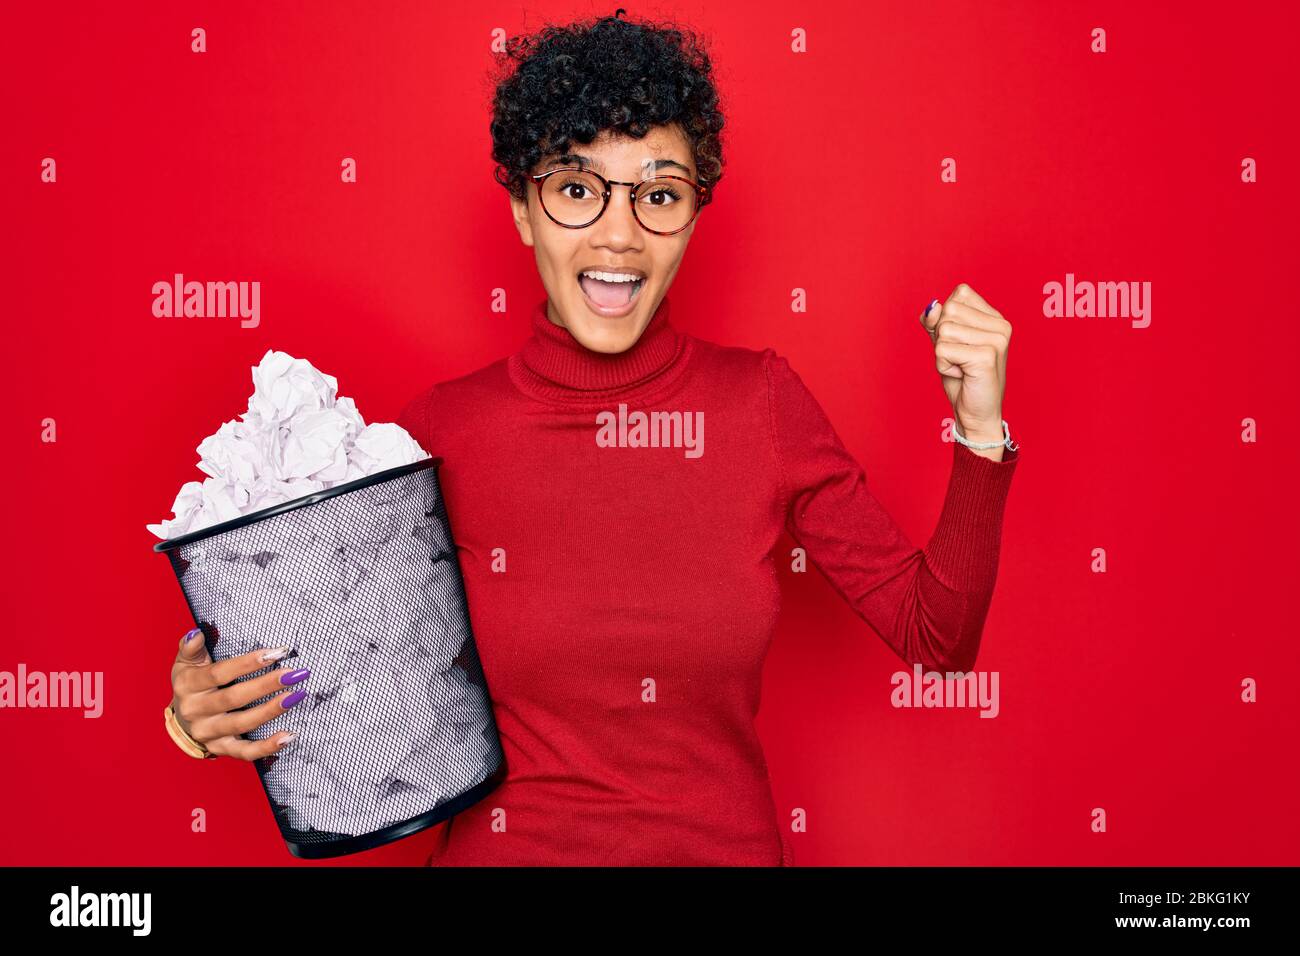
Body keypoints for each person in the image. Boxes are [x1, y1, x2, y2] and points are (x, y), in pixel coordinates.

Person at [165, 10, 1020, 866]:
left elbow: (936, 639)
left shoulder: (761, 405)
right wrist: (203, 715)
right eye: (576, 189)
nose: (619, 234)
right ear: (523, 213)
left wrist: (980, 432)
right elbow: (343, 688)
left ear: (691, 214)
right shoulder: (433, 436)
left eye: (658, 194)